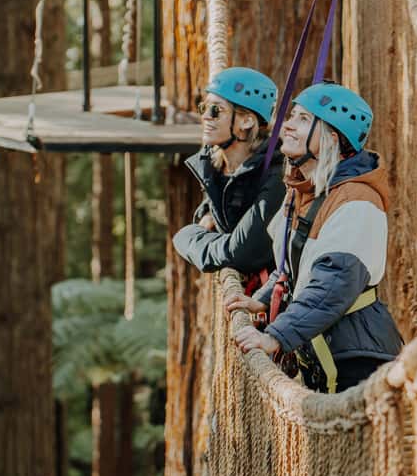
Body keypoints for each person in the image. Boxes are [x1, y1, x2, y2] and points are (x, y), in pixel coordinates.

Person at [225, 81, 403, 393]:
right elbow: (293, 265)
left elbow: (333, 283)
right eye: (292, 116)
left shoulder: (356, 200)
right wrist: (261, 300)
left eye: (304, 120)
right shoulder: (304, 190)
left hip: (356, 359)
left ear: (332, 138)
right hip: (323, 349)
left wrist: (275, 335)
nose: (288, 125)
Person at [172, 67, 285, 289]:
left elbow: (241, 253)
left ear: (246, 121)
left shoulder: (277, 175)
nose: (205, 116)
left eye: (216, 110)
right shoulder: (219, 166)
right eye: (204, 108)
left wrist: (187, 236)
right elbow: (210, 212)